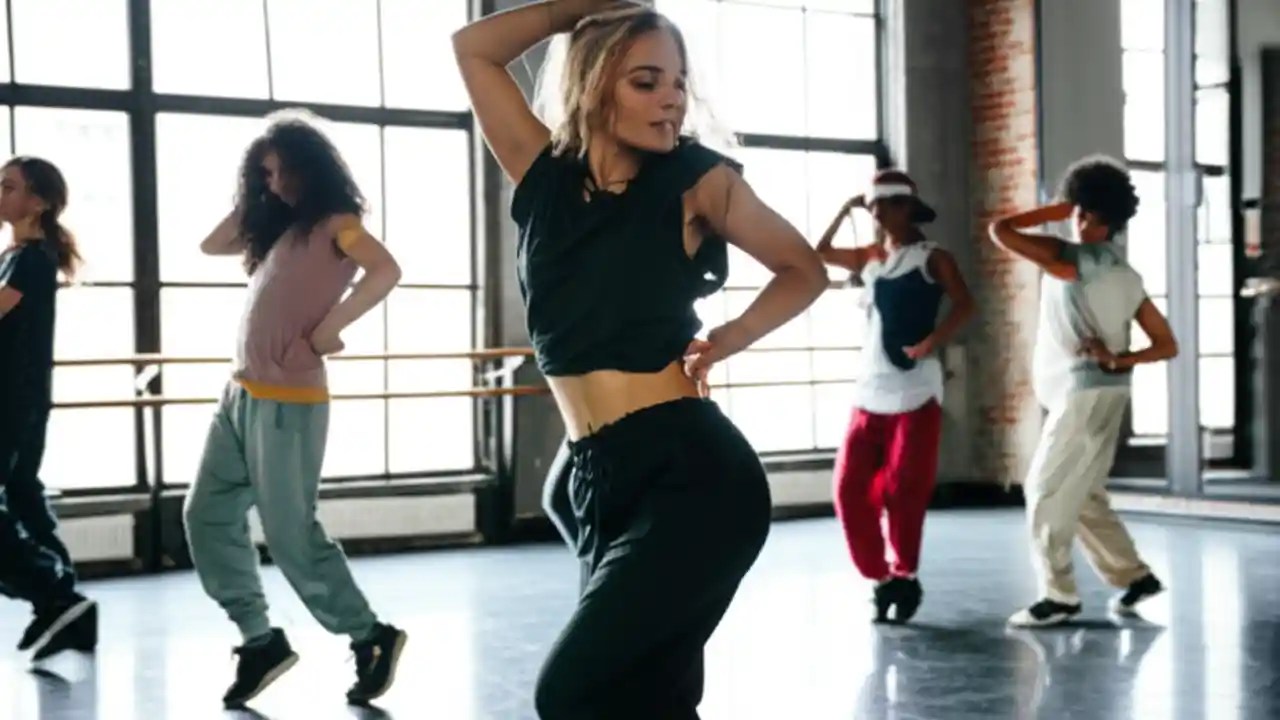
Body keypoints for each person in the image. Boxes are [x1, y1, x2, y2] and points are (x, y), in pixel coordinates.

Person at [453, 2, 828, 717]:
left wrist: (732, 335)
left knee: (571, 694)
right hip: (595, 478)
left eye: (679, 82)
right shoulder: (544, 177)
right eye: (647, 81)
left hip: (692, 479)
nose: (672, 99)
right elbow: (473, 49)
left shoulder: (697, 179)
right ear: (595, 84)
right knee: (648, 703)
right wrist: (582, 8)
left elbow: (801, 269)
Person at [186, 112, 407, 708]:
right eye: (264, 173)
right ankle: (260, 641)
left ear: (311, 168)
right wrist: (257, 195)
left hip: (289, 399)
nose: (274, 183)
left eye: (282, 171)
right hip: (240, 396)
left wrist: (331, 328)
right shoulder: (281, 229)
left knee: (290, 535)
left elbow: (385, 270)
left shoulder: (338, 224)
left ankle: (371, 635)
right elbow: (213, 244)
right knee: (205, 516)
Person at [988, 155, 1175, 627]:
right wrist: (1120, 360)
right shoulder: (1124, 273)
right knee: (1084, 491)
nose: (1077, 219)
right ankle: (1134, 576)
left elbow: (1002, 230)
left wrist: (1057, 209)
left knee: (1045, 490)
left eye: (1085, 213)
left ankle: (1060, 597)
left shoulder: (1068, 261)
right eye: (1078, 211)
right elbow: (1166, 343)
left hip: (1082, 395)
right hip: (1109, 393)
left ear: (1101, 219)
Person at [816, 170, 976, 623]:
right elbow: (820, 253)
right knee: (849, 490)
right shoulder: (869, 256)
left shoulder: (932, 257)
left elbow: (966, 304)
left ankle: (905, 574)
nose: (877, 211)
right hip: (868, 389)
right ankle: (880, 577)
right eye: (872, 204)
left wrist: (933, 342)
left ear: (907, 206)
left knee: (905, 488)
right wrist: (844, 209)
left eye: (885, 202)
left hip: (916, 388)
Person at [0, 156, 98, 661]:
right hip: (19, 399)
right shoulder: (17, 256)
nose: (0, 193)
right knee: (20, 493)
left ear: (38, 201)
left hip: (11, 400)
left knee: (15, 494)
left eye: (9, 186)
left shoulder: (30, 260)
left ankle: (52, 592)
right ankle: (69, 604)